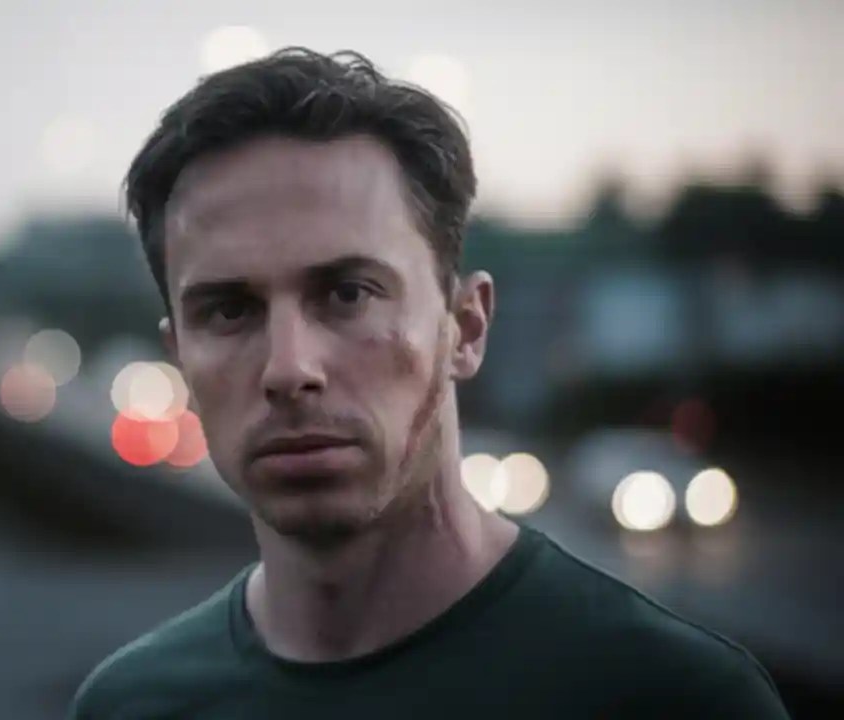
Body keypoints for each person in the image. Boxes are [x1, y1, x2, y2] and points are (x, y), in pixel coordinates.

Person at [66, 47, 790, 719]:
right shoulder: (132, 706)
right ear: (180, 359)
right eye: (228, 310)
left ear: (465, 328)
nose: (289, 368)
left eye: (348, 293)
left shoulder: (678, 699)